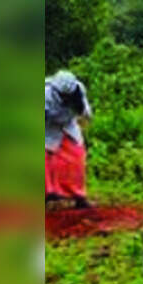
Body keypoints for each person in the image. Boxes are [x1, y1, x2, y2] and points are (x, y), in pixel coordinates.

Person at [45, 71, 91, 208]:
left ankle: (78, 195)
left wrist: (85, 120)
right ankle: (49, 194)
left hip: (68, 125)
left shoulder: (79, 89)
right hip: (48, 127)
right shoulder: (45, 94)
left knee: (76, 157)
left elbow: (85, 110)